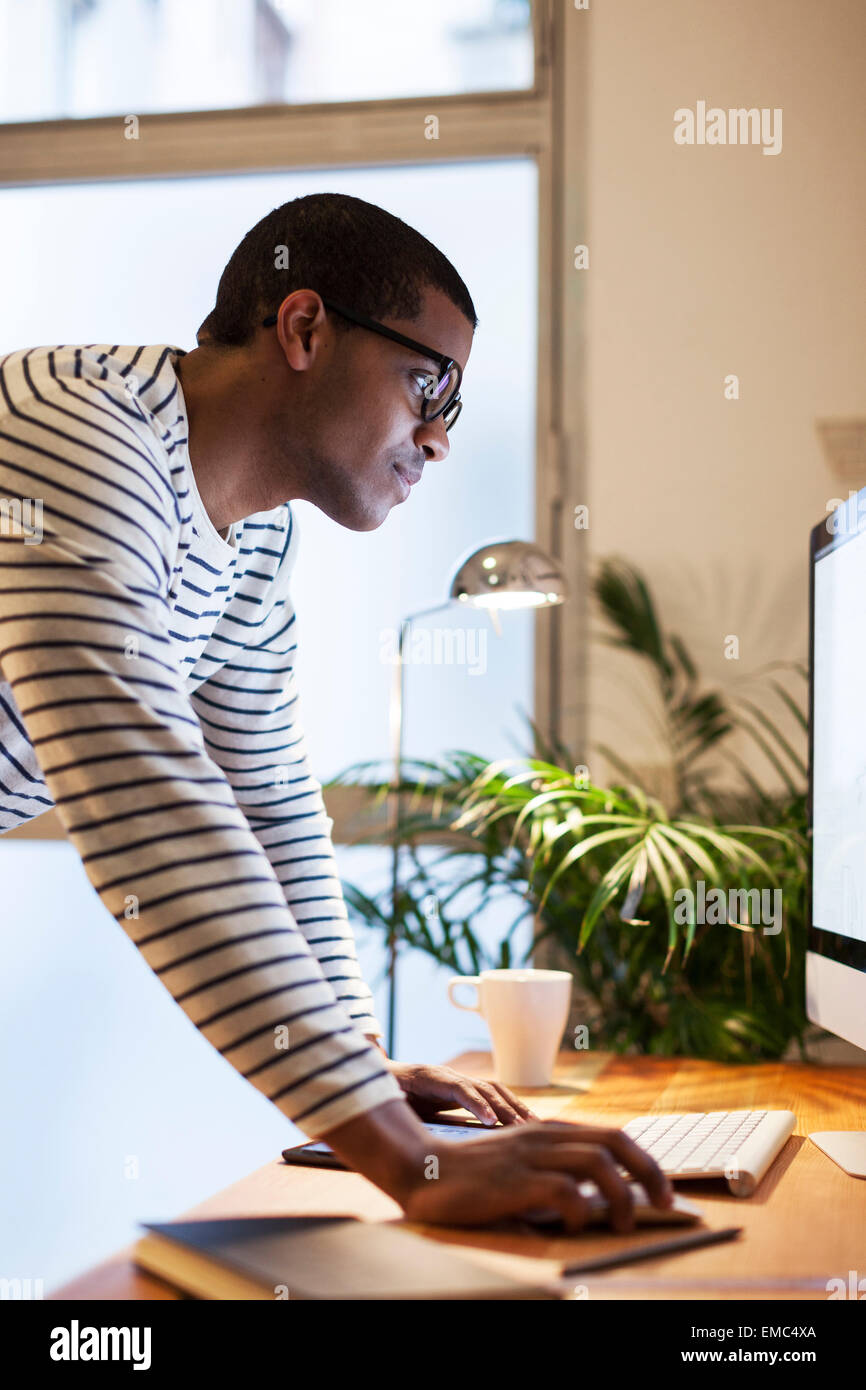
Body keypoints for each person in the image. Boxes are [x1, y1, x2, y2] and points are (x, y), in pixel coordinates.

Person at [0, 192, 671, 1233]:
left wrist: (363, 1067)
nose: (438, 437)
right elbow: (138, 784)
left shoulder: (256, 543)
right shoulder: (76, 428)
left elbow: (268, 808)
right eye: (426, 383)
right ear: (304, 328)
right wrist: (408, 1165)